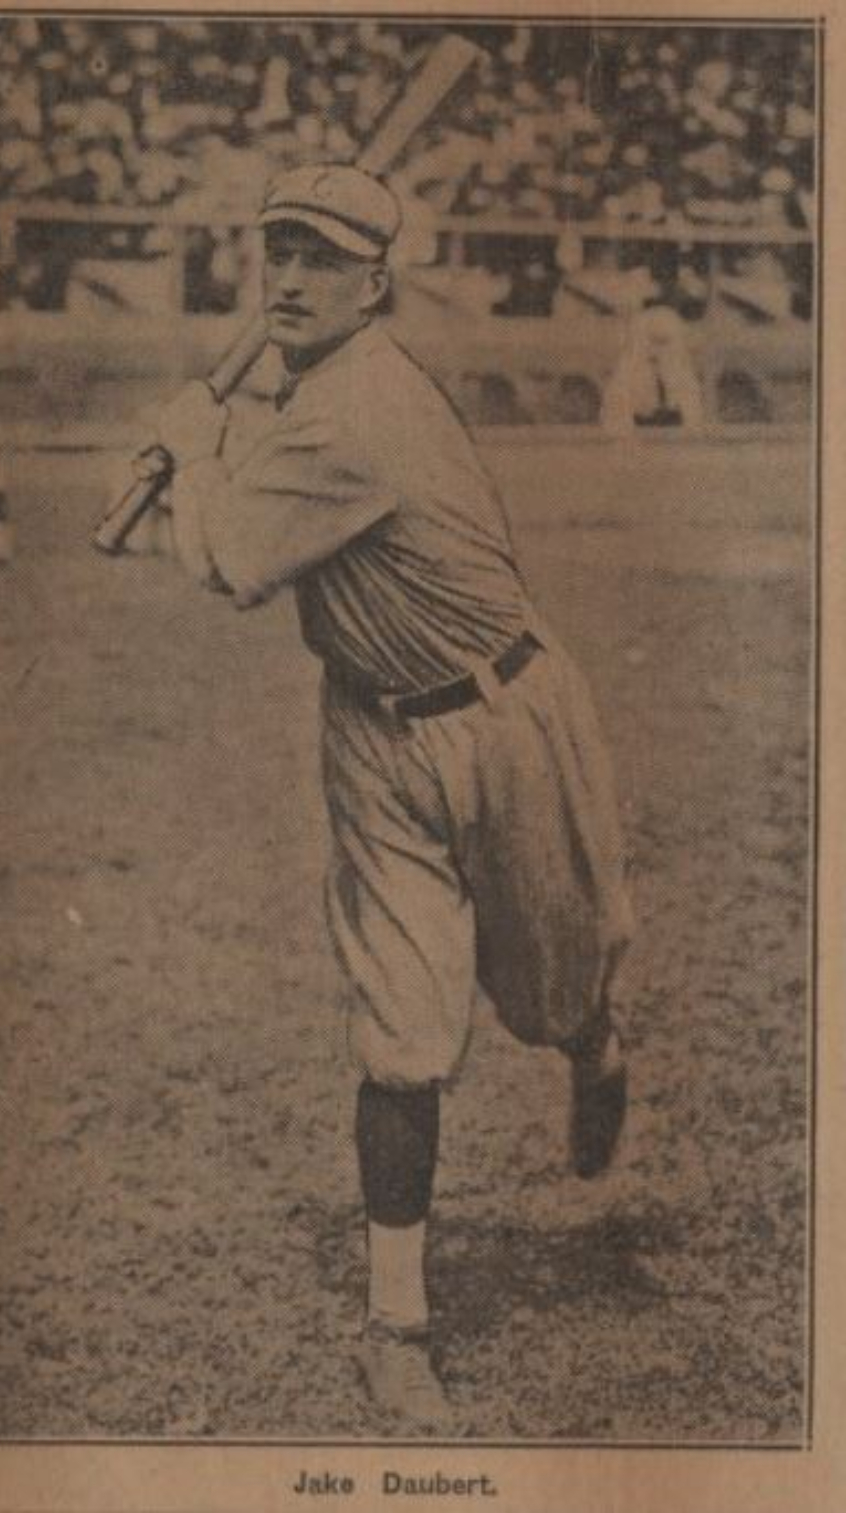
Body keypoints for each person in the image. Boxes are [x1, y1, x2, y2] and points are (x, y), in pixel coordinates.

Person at [145, 164, 634, 1429]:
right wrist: (210, 453)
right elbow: (239, 527)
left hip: (505, 716)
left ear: (375, 286)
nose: (292, 279)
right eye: (281, 255)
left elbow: (233, 561)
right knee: (403, 1038)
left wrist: (190, 451)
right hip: (371, 727)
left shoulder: (359, 408)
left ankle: (592, 1039)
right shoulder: (314, 392)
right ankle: (397, 1326)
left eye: (323, 260)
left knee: (550, 987)